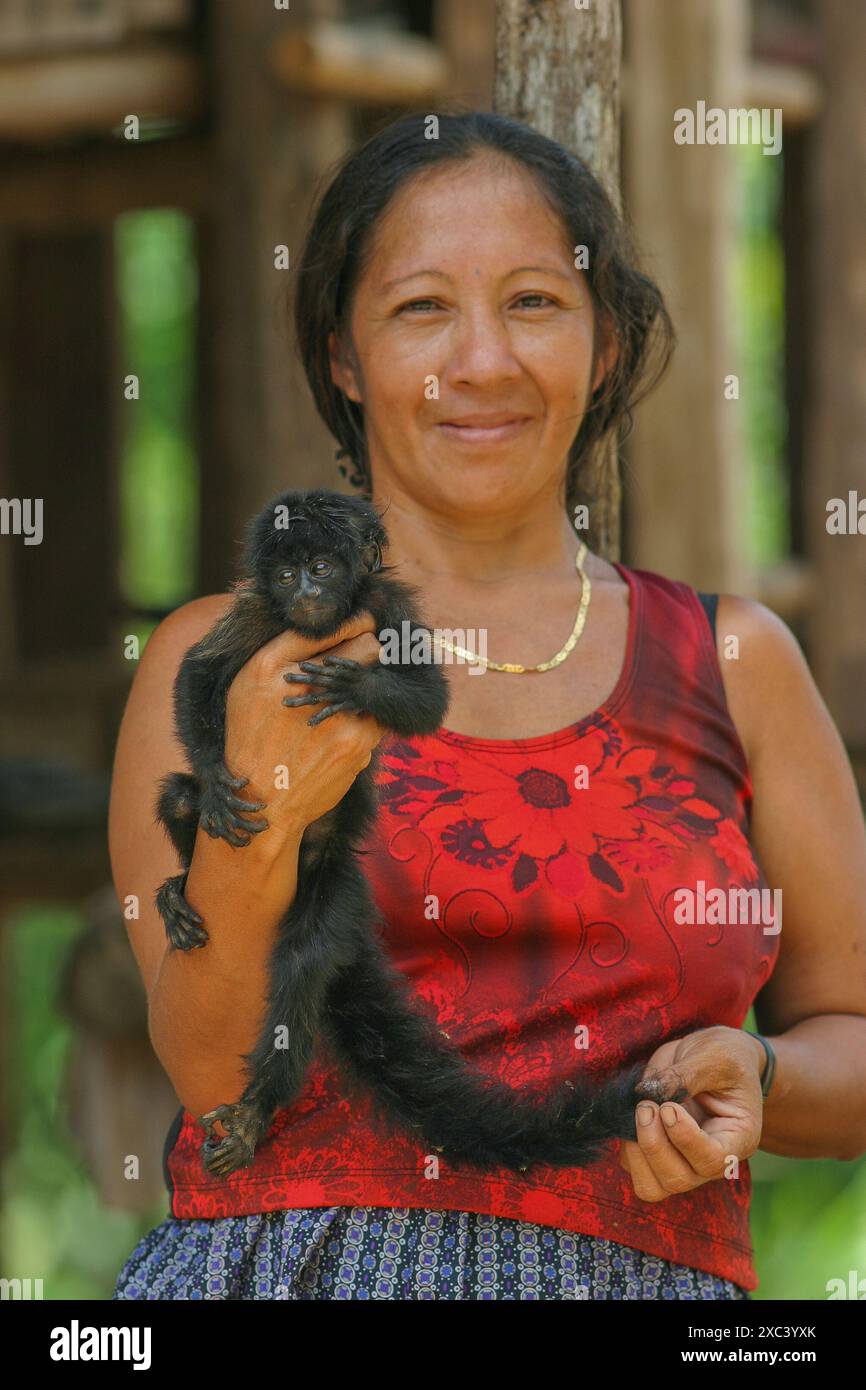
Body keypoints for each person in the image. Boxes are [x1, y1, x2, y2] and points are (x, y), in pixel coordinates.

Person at [109, 111, 866, 1301]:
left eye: (531, 302)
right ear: (342, 354)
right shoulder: (226, 659)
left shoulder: (731, 662)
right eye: (419, 309)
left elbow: (852, 1034)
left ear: (603, 342)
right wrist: (252, 818)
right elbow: (214, 1074)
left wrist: (761, 1071)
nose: (481, 362)